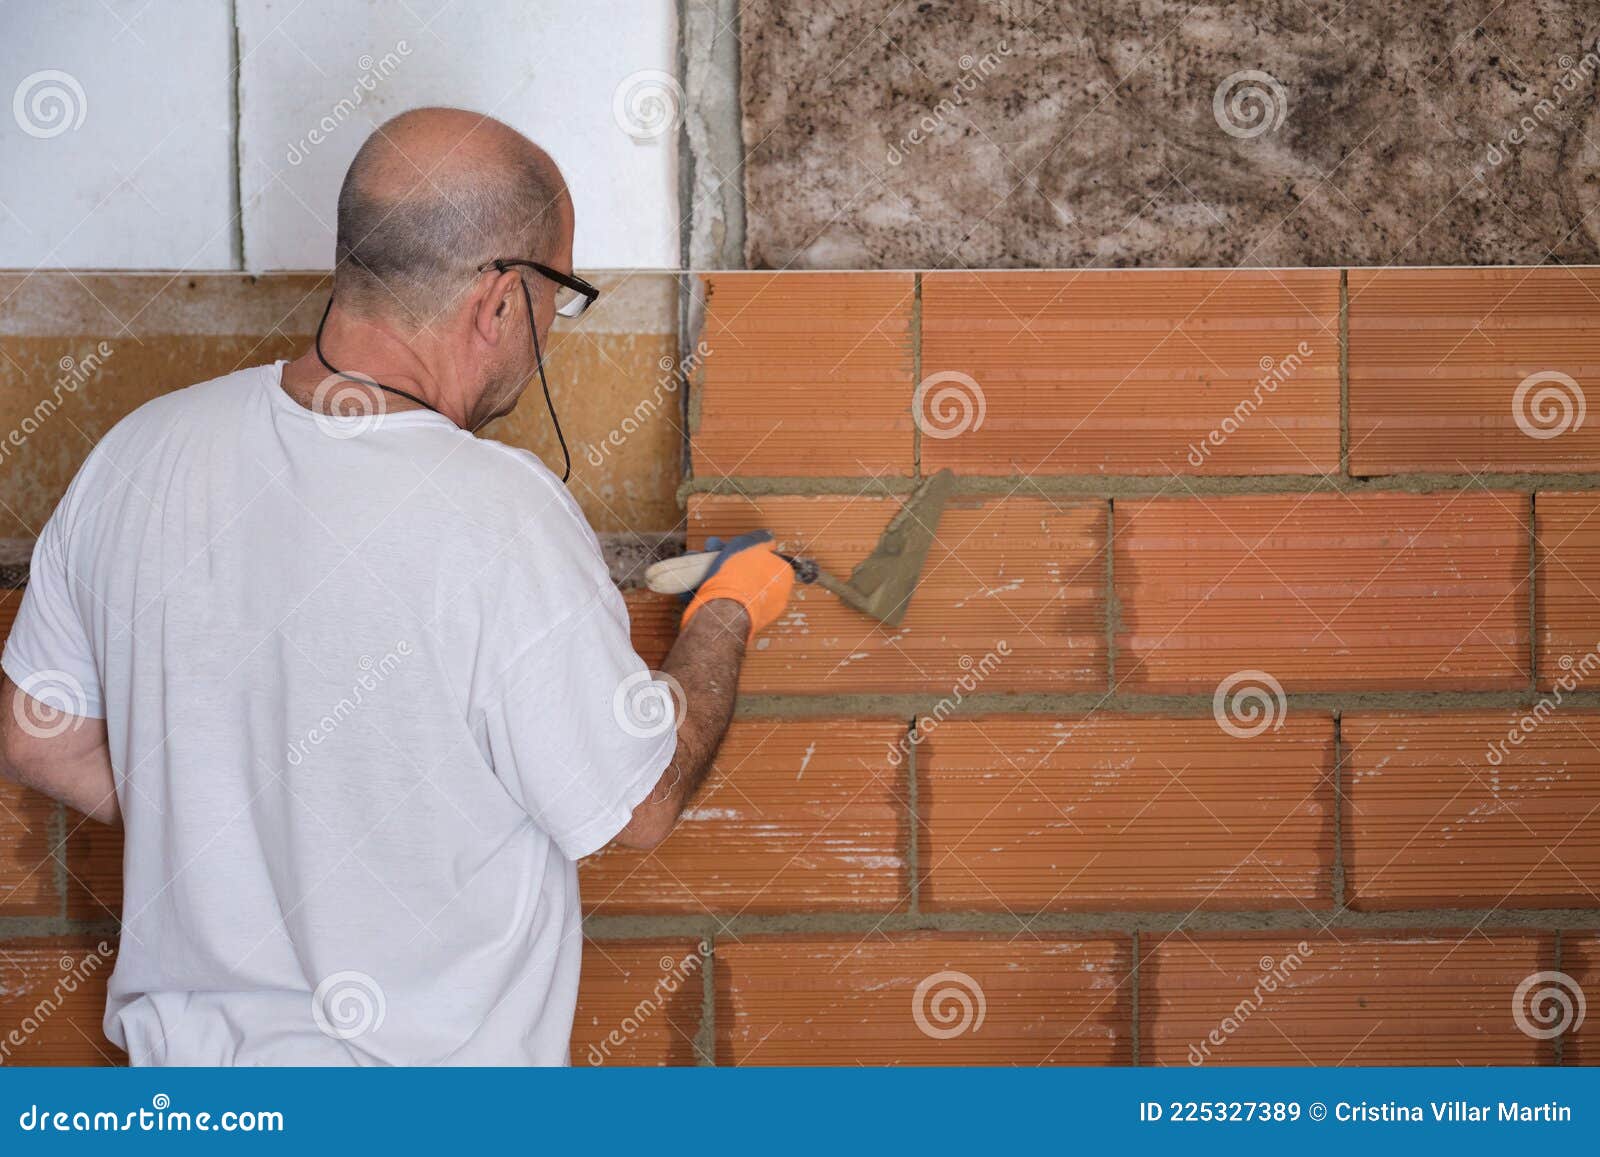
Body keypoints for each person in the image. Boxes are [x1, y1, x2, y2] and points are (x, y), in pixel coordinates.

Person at [0, 107, 794, 1064]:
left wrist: (231, 805)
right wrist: (729, 609)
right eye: (561, 299)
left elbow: (35, 738)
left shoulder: (141, 450)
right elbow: (643, 801)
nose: (551, 332)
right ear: (500, 299)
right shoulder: (501, 515)